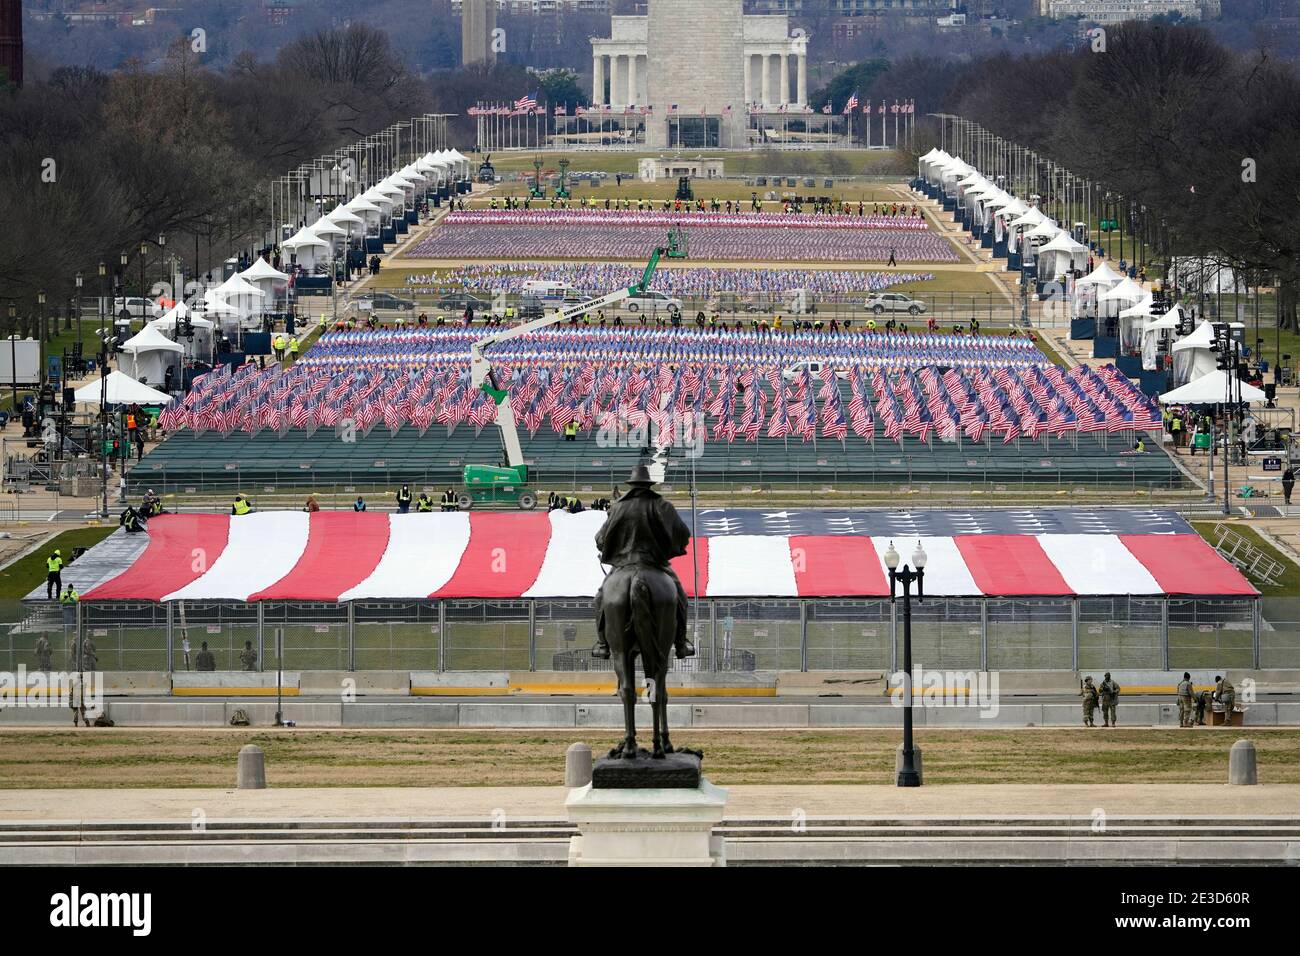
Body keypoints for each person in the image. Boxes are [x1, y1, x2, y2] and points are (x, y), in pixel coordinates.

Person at [590, 464, 694, 661]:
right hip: (655, 563)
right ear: (648, 486)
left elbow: (600, 540)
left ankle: (602, 644)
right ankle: (681, 642)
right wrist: (668, 548)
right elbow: (683, 535)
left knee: (600, 598)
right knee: (679, 595)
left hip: (624, 564)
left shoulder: (618, 506)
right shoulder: (663, 505)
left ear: (632, 485)